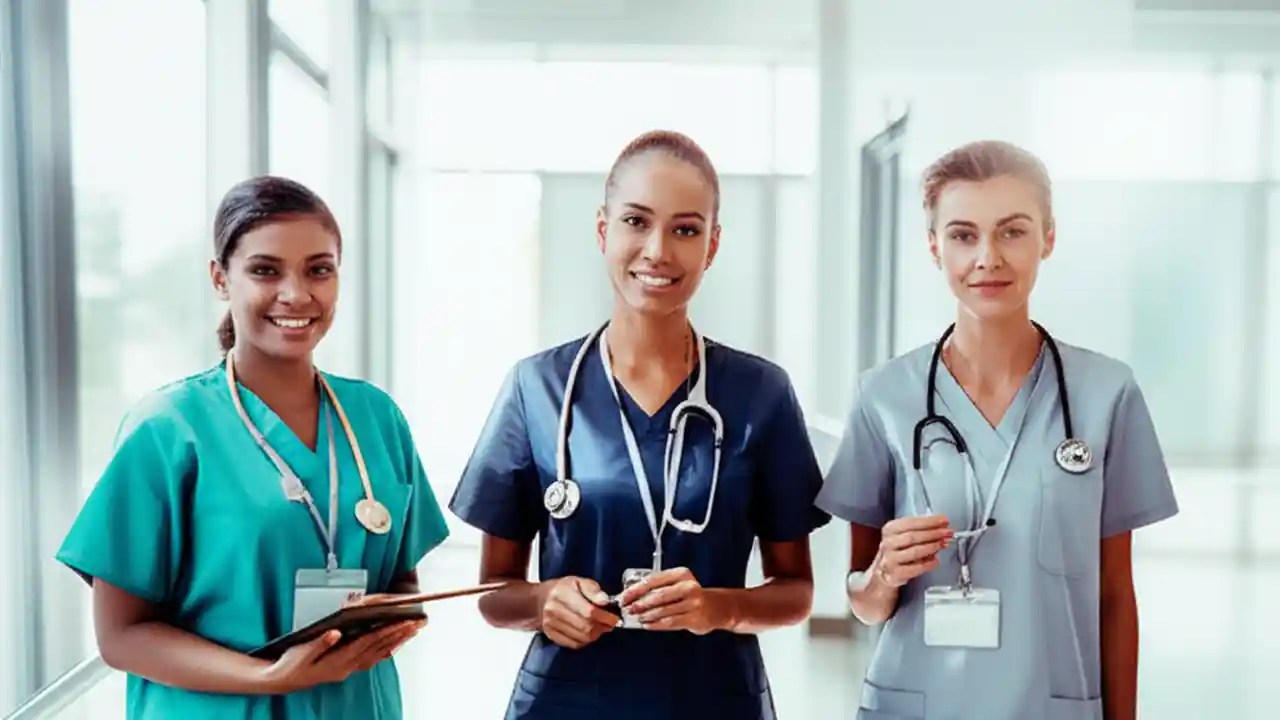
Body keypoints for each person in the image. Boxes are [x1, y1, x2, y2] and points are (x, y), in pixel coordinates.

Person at [449, 130, 829, 719]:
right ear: (603, 231)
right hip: (566, 701)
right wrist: (545, 600)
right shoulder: (537, 387)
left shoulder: (761, 394)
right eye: (636, 222)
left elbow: (795, 591)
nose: (657, 250)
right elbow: (494, 593)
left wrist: (715, 608)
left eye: (686, 230)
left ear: (713, 244)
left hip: (713, 701)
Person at [56, 176, 450, 719]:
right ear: (221, 278)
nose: (297, 294)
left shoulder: (376, 417)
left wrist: (391, 616)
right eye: (265, 270)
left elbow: (402, 581)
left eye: (319, 269)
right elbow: (121, 636)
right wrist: (271, 677)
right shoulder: (168, 427)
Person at [816, 140, 1179, 720]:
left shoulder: (1106, 394)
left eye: (1012, 232)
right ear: (934, 247)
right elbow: (863, 602)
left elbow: (1115, 596)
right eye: (963, 235)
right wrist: (883, 574)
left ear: (1048, 238)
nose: (987, 257)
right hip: (916, 704)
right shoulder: (883, 397)